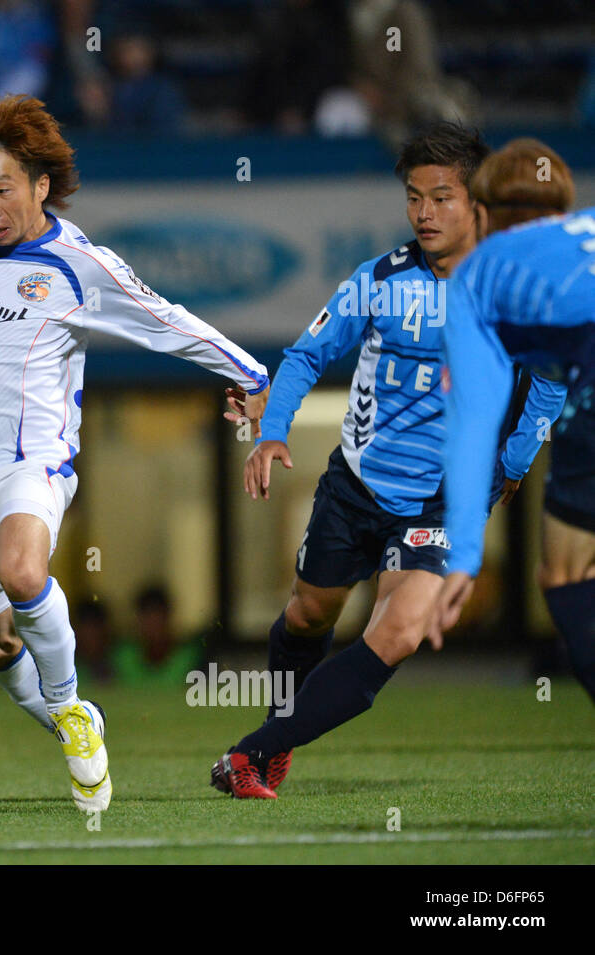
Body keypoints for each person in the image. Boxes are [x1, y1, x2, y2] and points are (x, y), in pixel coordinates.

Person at [0, 95, 270, 811]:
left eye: (4, 187)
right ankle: (78, 725)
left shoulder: (78, 266)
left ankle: (68, 704)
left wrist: (250, 375)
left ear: (41, 184)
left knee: (23, 566)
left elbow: (166, 319)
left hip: (26, 463)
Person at [210, 122, 567, 799]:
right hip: (357, 485)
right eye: (414, 198)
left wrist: (514, 462)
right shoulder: (379, 281)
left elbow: (550, 380)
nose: (425, 213)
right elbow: (308, 353)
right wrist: (274, 430)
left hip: (438, 499)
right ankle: (276, 733)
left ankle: (251, 753)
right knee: (310, 616)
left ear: (479, 205)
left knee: (399, 632)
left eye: (442, 198)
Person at [430, 139, 591, 703]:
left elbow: (474, 422)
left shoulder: (483, 273)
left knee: (568, 575)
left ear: (484, 213)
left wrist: (466, 553)